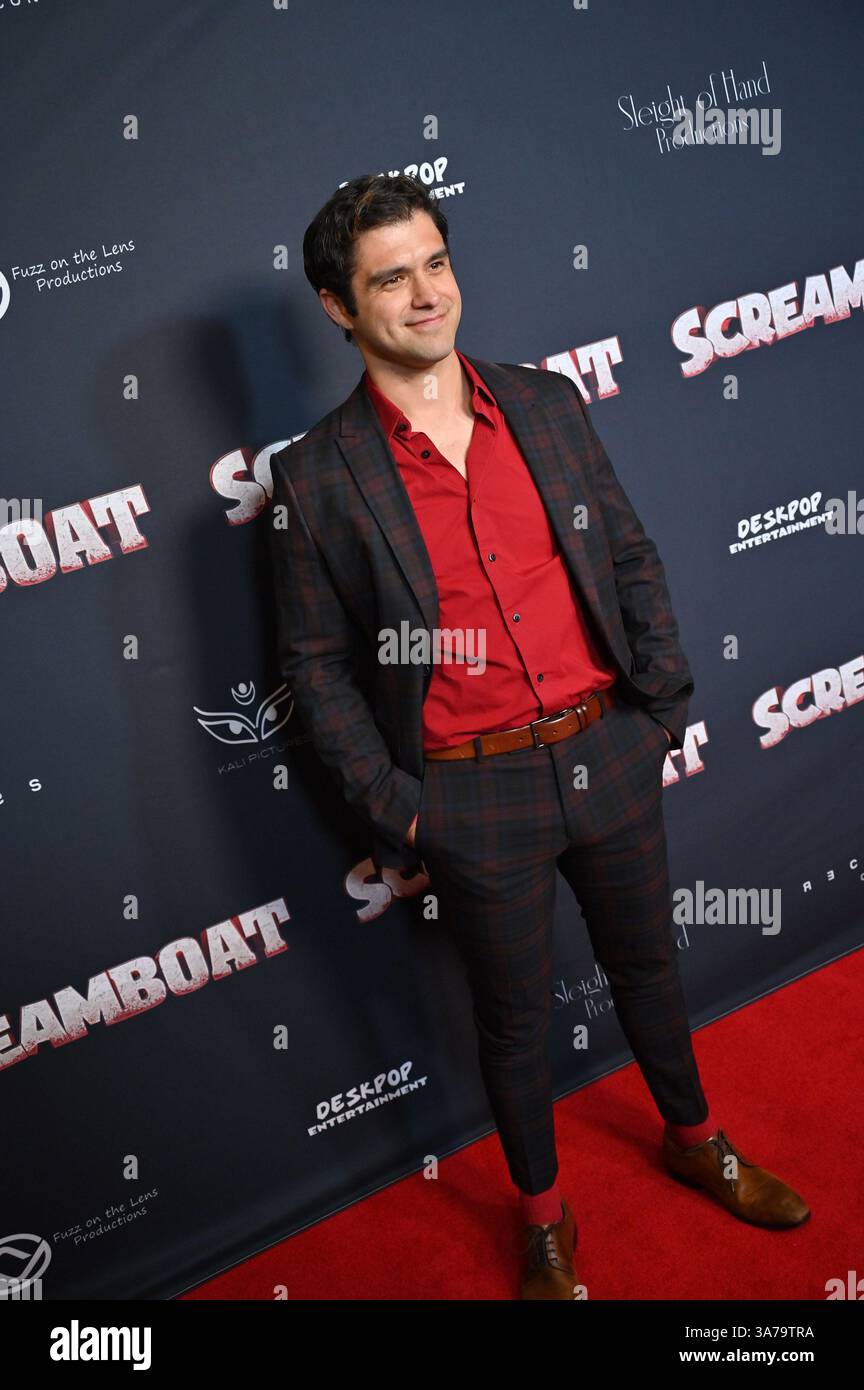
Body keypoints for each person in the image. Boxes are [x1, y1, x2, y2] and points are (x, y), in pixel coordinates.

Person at [268, 173, 810, 1300]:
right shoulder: (316, 476)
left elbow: (628, 554)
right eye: (389, 278)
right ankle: (544, 1221)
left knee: (650, 969)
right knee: (514, 1028)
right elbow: (314, 670)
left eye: (435, 264)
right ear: (336, 306)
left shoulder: (548, 403)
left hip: (606, 747)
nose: (425, 296)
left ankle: (695, 1137)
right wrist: (403, 809)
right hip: (468, 796)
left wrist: (658, 709)